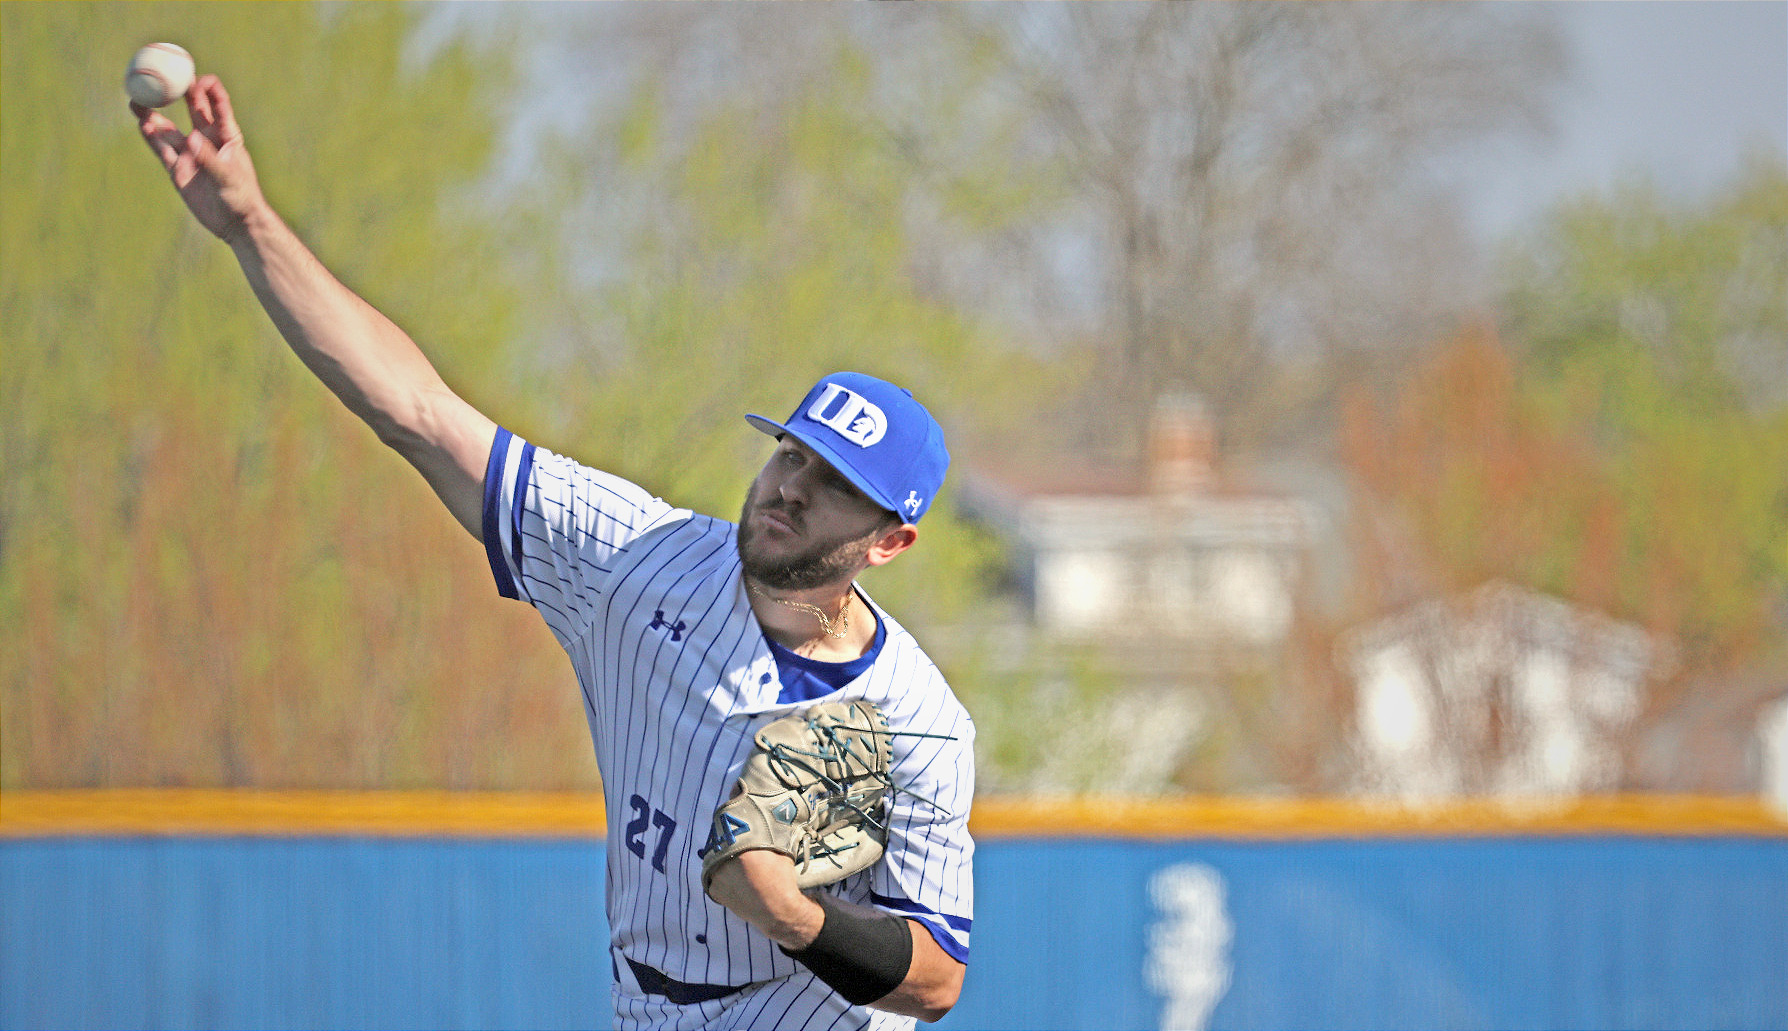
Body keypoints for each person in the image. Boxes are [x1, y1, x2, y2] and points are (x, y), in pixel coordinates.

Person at [133, 77, 973, 1029]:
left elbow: (938, 979)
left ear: (890, 540)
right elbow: (418, 412)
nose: (791, 487)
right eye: (791, 452)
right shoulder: (642, 559)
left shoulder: (919, 722)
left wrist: (791, 913)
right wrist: (250, 224)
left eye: (835, 484)